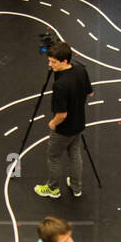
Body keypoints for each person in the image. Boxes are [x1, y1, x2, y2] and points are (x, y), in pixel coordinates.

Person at [34, 41, 93, 200]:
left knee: (53, 157)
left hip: (64, 129)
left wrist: (52, 124)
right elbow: (90, 93)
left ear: (65, 61)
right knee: (75, 154)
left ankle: (53, 189)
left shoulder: (60, 85)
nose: (49, 64)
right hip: (79, 123)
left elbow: (61, 115)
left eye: (53, 62)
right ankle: (76, 186)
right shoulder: (80, 69)